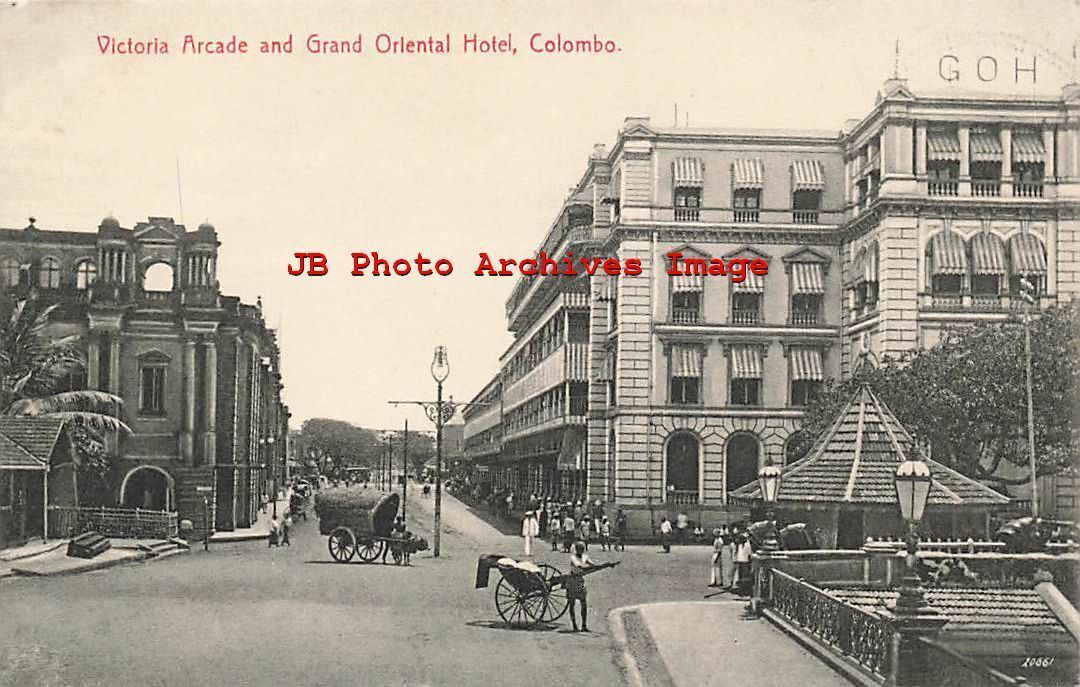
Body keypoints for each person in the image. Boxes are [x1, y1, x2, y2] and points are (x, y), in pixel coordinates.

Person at [566, 541, 594, 632]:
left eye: (582, 549)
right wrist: (588, 568)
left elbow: (592, 564)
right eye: (579, 549)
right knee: (572, 604)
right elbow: (580, 566)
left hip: (580, 581)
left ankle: (584, 625)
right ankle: (574, 625)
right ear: (576, 549)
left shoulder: (585, 557)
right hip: (572, 581)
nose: (581, 551)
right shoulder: (573, 557)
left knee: (584, 603)